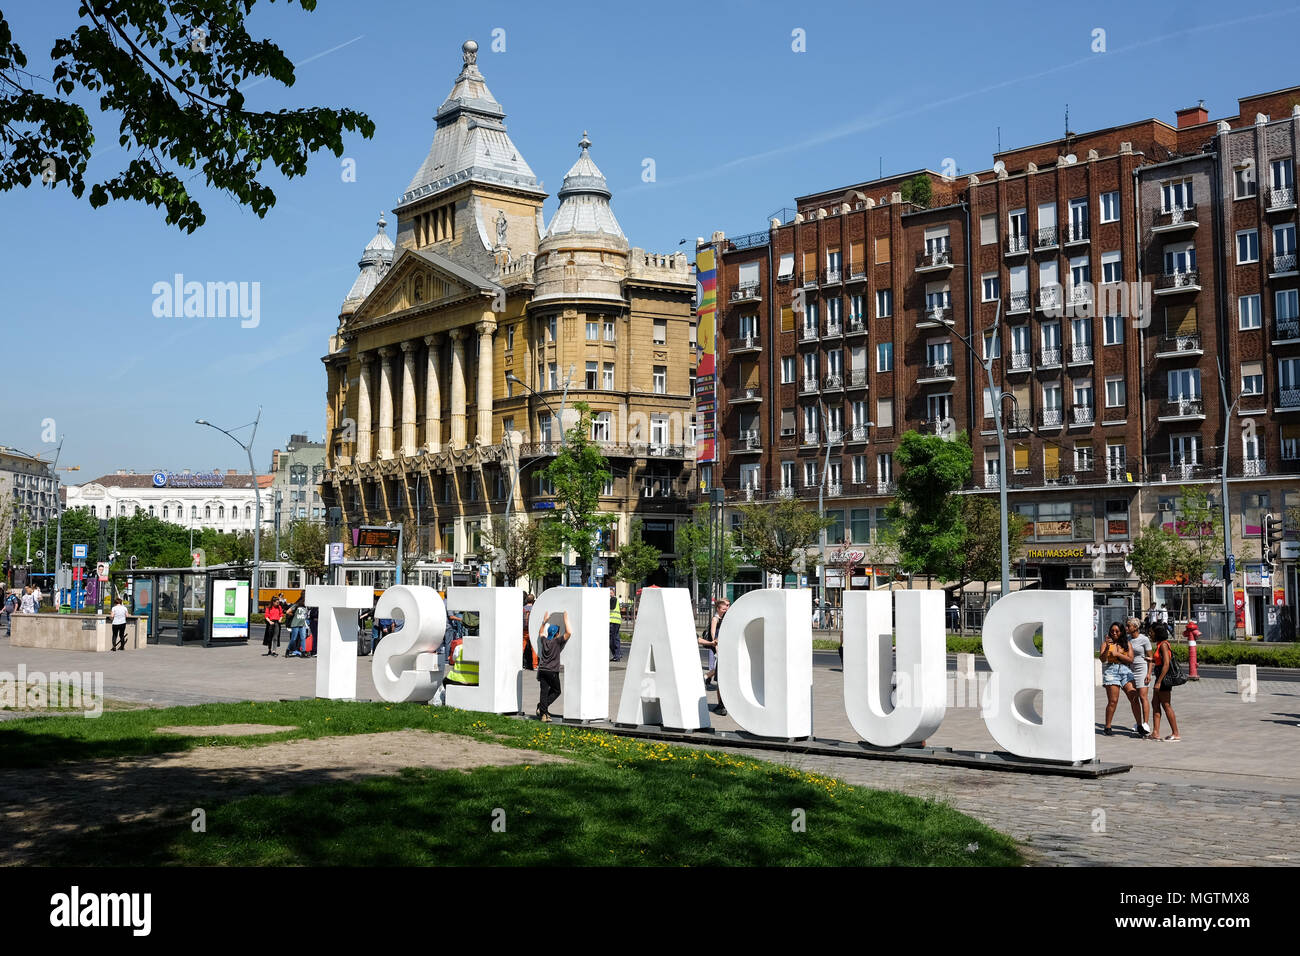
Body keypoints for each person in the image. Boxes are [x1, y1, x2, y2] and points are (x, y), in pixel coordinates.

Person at [1099, 619, 1145, 736]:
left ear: (1121, 632)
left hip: (1125, 671)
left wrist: (1118, 654)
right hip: (1111, 671)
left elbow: (1130, 659)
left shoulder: (1127, 644)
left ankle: (1139, 725)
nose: (1114, 633)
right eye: (1112, 631)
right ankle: (1108, 727)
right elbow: (1102, 659)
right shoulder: (1105, 644)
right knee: (1113, 701)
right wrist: (1108, 648)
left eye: (1117, 631)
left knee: (1134, 697)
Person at [535, 610, 572, 723]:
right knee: (556, 690)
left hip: (542, 670)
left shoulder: (545, 641)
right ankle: (542, 707)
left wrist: (544, 622)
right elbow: (569, 633)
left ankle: (543, 714)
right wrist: (565, 618)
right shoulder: (557, 641)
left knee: (544, 692)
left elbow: (540, 633)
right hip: (552, 671)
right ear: (556, 634)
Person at [1149, 622, 1182, 741]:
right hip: (1159, 676)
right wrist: (1151, 659)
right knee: (1155, 703)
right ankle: (1155, 732)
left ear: (1157, 633)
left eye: (1151, 632)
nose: (1150, 634)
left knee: (1166, 705)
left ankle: (1175, 733)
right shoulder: (1159, 644)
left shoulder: (1163, 645)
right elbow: (1160, 660)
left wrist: (1159, 682)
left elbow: (1166, 664)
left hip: (1163, 678)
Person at [700, 598, 729, 716]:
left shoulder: (726, 617)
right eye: (724, 607)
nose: (727, 608)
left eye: (728, 605)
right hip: (718, 647)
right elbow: (713, 635)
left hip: (725, 648)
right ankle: (720, 704)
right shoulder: (715, 618)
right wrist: (716, 647)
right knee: (720, 675)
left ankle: (707, 676)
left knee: (719, 673)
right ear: (718, 608)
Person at [1126, 616, 1153, 735]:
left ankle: (1145, 724)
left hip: (1142, 669)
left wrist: (1149, 673)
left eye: (1128, 626)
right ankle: (1138, 723)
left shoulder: (1144, 639)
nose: (1126, 628)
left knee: (1143, 697)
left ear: (1135, 627)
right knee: (1133, 698)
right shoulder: (1128, 640)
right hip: (1131, 670)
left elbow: (1150, 658)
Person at [522, 593, 538, 670]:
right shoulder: (535, 608)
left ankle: (520, 664)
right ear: (533, 600)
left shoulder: (523, 608)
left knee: (522, 648)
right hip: (532, 630)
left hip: (524, 631)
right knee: (534, 648)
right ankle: (534, 665)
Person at [609, 587, 622, 663]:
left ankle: (617, 655)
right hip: (615, 621)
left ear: (613, 593)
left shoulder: (613, 599)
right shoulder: (613, 599)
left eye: (611, 593)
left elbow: (611, 607)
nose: (610, 594)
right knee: (615, 638)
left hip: (613, 621)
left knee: (612, 640)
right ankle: (617, 655)